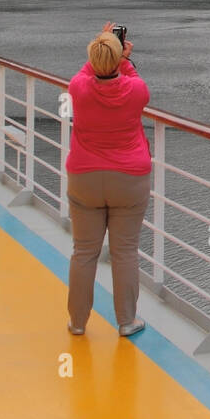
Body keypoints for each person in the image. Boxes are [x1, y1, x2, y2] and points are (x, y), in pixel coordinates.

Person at [65, 21, 152, 337]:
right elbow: (133, 82)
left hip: (85, 177)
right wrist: (123, 59)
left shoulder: (80, 87)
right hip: (128, 178)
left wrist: (102, 44)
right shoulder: (136, 89)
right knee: (125, 252)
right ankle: (127, 322)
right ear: (118, 58)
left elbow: (87, 72)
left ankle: (77, 323)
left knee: (84, 252)